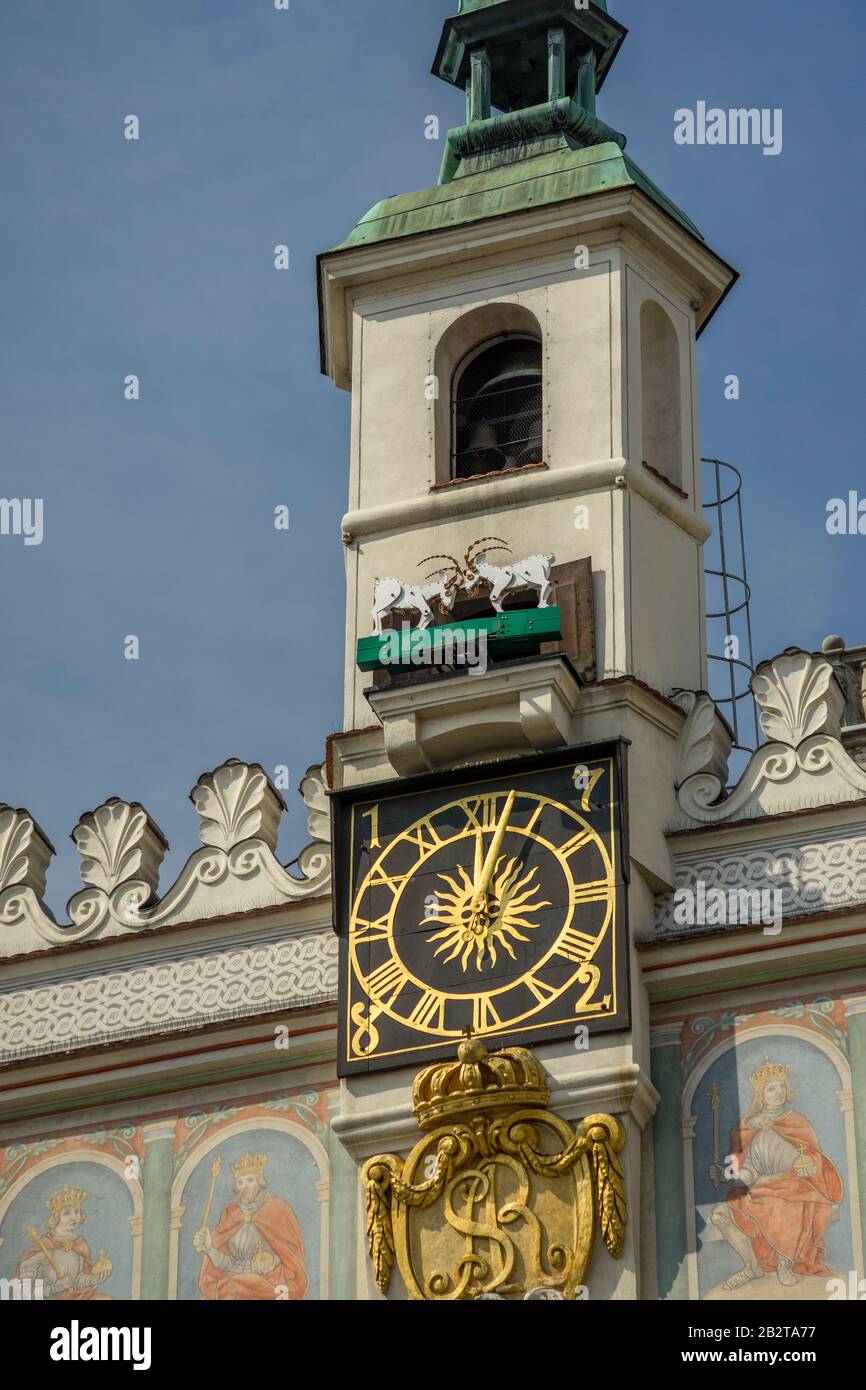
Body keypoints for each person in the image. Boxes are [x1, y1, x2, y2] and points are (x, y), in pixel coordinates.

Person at [709, 1058, 843, 1291]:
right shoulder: (748, 1127)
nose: (778, 1091)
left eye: (782, 1086)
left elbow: (812, 1162)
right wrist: (724, 1176)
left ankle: (784, 1262)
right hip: (758, 1189)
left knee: (787, 1201)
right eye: (771, 1088)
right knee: (720, 1213)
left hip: (793, 1187)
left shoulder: (798, 1122)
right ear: (761, 1094)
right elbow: (746, 1170)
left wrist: (797, 1169)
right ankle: (751, 1266)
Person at [195, 1153, 307, 1300]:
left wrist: (271, 1261)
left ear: (260, 1182)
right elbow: (231, 1265)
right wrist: (209, 1249)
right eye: (240, 1182)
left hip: (267, 1286)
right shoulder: (231, 1215)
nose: (244, 1187)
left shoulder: (278, 1209)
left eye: (250, 1180)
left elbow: (290, 1255)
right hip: (234, 1288)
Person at [16, 1185, 112, 1299]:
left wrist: (93, 1279)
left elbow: (76, 1281)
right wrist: (54, 1288)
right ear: (56, 1217)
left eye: (76, 1211)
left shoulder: (79, 1245)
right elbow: (24, 1291)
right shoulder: (42, 1247)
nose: (74, 1217)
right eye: (67, 1213)